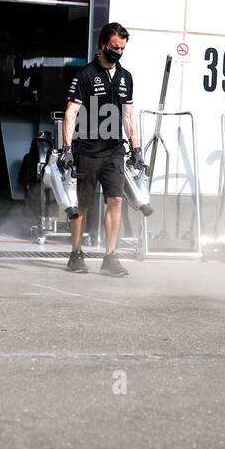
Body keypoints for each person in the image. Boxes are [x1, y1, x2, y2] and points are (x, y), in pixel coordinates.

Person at [61, 23, 141, 276]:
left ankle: (110, 257)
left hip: (115, 150)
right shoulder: (84, 75)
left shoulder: (126, 77)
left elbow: (128, 114)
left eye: (122, 48)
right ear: (102, 45)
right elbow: (71, 112)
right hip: (86, 149)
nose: (119, 52)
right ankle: (75, 254)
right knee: (82, 205)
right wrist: (66, 148)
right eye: (115, 47)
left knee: (116, 200)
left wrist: (136, 147)